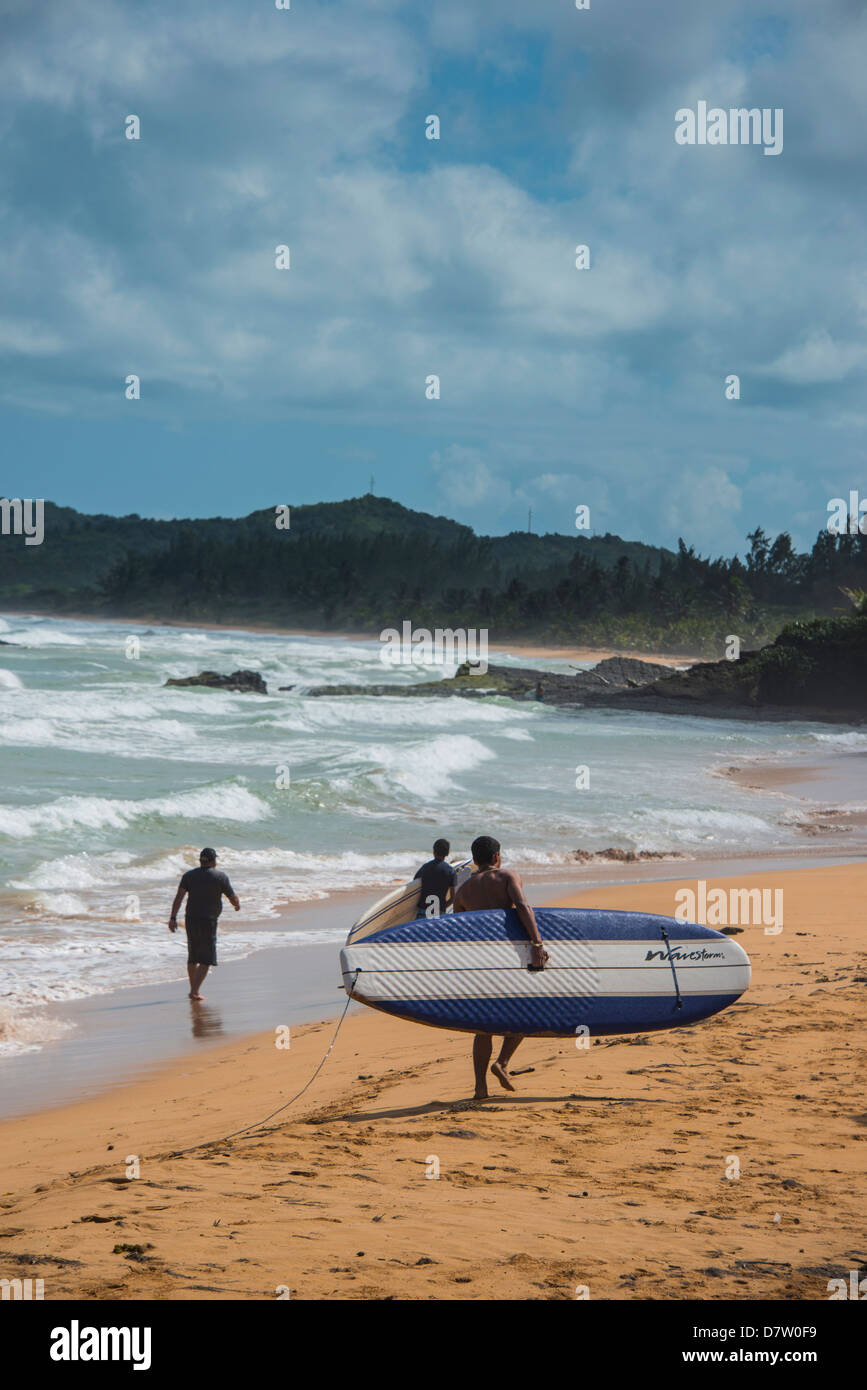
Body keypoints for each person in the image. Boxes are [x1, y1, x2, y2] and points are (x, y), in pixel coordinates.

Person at [453, 835, 548, 1099]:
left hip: (481, 963)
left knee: (483, 1025)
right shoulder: (508, 876)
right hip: (510, 958)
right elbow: (522, 906)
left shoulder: (463, 892)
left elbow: (457, 933)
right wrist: (537, 943)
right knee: (527, 1011)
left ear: (474, 861)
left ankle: (480, 1087)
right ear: (497, 856)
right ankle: (503, 1062)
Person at [168, 848, 240, 1000]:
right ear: (214, 861)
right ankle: (194, 992)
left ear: (201, 860)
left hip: (191, 919)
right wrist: (236, 905)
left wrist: (173, 918)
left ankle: (193, 989)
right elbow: (232, 896)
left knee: (193, 957)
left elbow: (179, 898)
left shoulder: (189, 876)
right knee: (206, 959)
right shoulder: (220, 877)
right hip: (209, 920)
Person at [413, 838, 458, 918]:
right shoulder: (451, 871)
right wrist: (443, 908)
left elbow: (414, 882)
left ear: (433, 852)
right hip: (439, 913)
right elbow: (453, 898)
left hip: (423, 911)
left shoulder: (425, 867)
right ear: (447, 853)